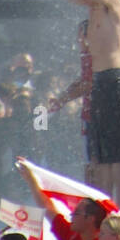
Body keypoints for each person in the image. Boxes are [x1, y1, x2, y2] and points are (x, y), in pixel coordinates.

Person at [11, 0, 120, 207]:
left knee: (114, 154)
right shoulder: (90, 8)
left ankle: (118, 204)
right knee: (98, 154)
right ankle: (102, 203)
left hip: (113, 77)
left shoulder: (110, 2)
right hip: (98, 81)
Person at [47, 21, 94, 183]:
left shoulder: (94, 55)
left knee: (93, 162)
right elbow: (82, 79)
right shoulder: (86, 56)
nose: (78, 41)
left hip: (96, 116)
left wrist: (64, 99)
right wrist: (61, 98)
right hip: (88, 115)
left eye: (80, 36)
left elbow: (88, 84)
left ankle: (95, 198)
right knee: (88, 161)